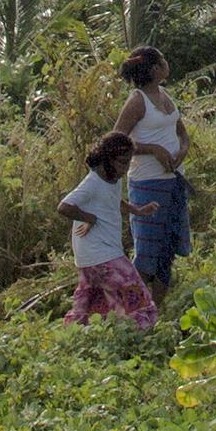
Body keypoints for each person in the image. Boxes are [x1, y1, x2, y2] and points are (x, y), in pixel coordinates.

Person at [59, 131, 158, 332]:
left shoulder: (112, 178)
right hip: (102, 254)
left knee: (92, 303)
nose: (125, 169)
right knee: (136, 296)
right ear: (108, 159)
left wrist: (137, 210)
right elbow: (64, 207)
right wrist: (89, 218)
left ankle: (77, 337)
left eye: (128, 163)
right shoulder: (92, 183)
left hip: (91, 257)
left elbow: (112, 199)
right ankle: (145, 334)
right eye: (122, 163)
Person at [113, 45, 191, 298]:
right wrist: (153, 150)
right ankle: (129, 306)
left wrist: (183, 150)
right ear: (155, 68)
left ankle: (157, 307)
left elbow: (182, 132)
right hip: (148, 183)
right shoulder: (137, 101)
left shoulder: (165, 95)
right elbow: (116, 141)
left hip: (174, 180)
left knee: (168, 248)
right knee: (147, 252)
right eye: (163, 60)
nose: (167, 63)